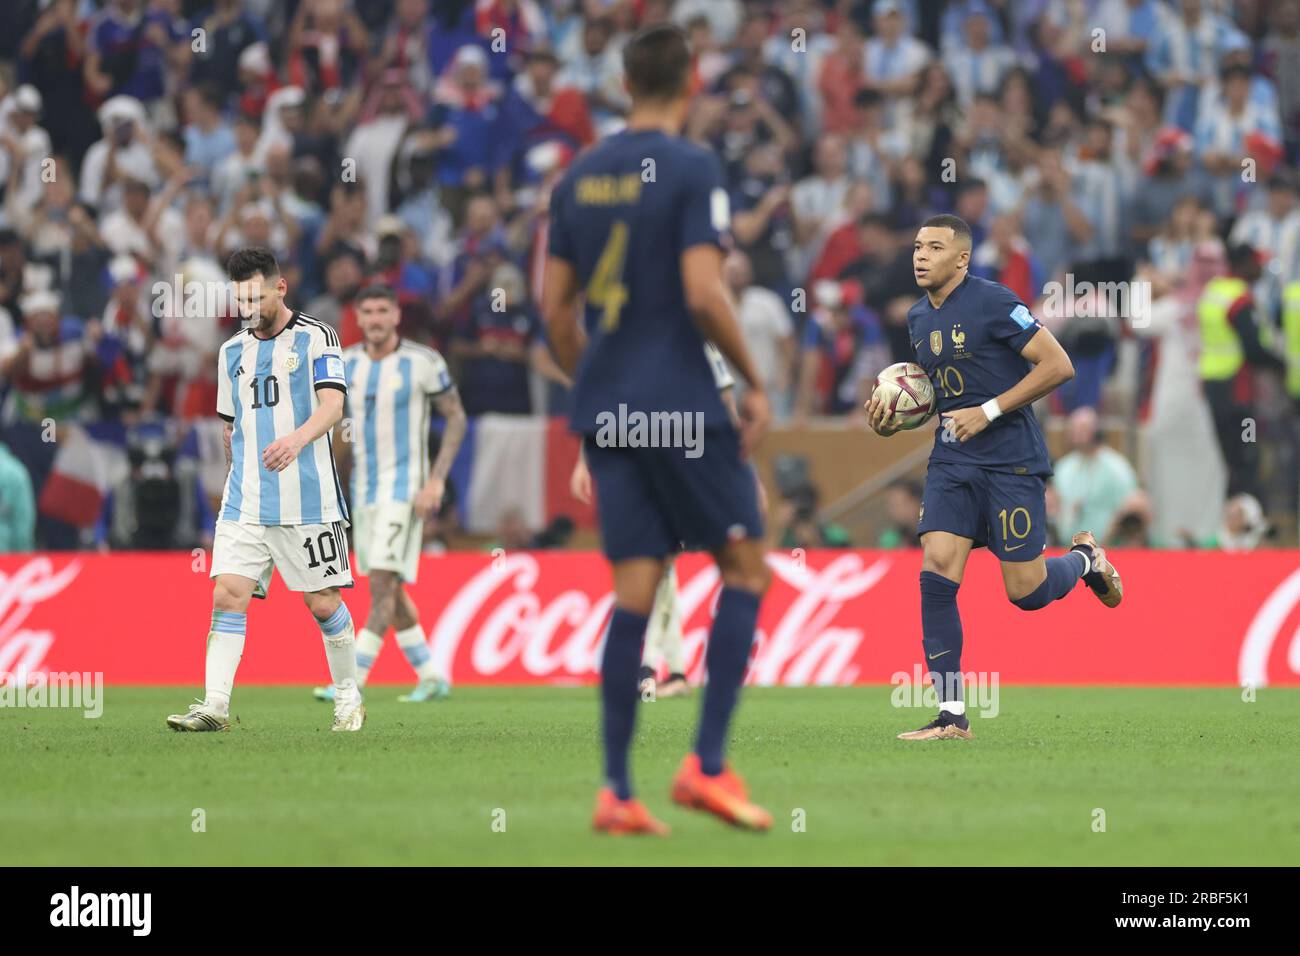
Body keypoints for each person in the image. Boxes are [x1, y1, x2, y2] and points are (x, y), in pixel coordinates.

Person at [543, 23, 773, 834]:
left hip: (608, 412)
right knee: (745, 568)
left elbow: (552, 309)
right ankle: (706, 767)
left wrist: (596, 383)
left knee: (634, 592)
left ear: (622, 80)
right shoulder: (690, 166)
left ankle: (615, 790)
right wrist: (752, 379)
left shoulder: (580, 173)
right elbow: (706, 294)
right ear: (693, 79)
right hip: (681, 402)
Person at [868, 215, 1125, 742]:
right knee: (937, 568)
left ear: (961, 259)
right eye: (917, 246)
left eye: (935, 248)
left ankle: (1083, 559)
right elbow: (947, 392)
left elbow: (1058, 365)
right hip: (953, 460)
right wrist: (900, 414)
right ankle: (952, 716)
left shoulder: (991, 300)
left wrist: (987, 411)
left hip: (1010, 459)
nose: (921, 256)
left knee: (1026, 593)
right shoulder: (918, 318)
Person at [167, 247, 363, 733]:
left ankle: (348, 698)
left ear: (280, 287)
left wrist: (297, 439)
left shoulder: (319, 337)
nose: (249, 308)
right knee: (227, 595)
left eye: (256, 296)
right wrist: (235, 473)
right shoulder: (231, 352)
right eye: (240, 300)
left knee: (322, 604)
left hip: (308, 499)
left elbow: (334, 406)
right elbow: (231, 426)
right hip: (246, 501)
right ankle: (214, 705)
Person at [313, 284, 466, 704]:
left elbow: (456, 418)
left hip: (406, 490)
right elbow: (336, 431)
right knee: (391, 587)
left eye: (384, 310)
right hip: (363, 493)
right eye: (368, 312)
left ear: (397, 316)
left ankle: (351, 681)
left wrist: (435, 481)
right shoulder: (344, 364)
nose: (376, 319)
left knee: (381, 580)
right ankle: (432, 675)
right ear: (358, 318)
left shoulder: (423, 362)